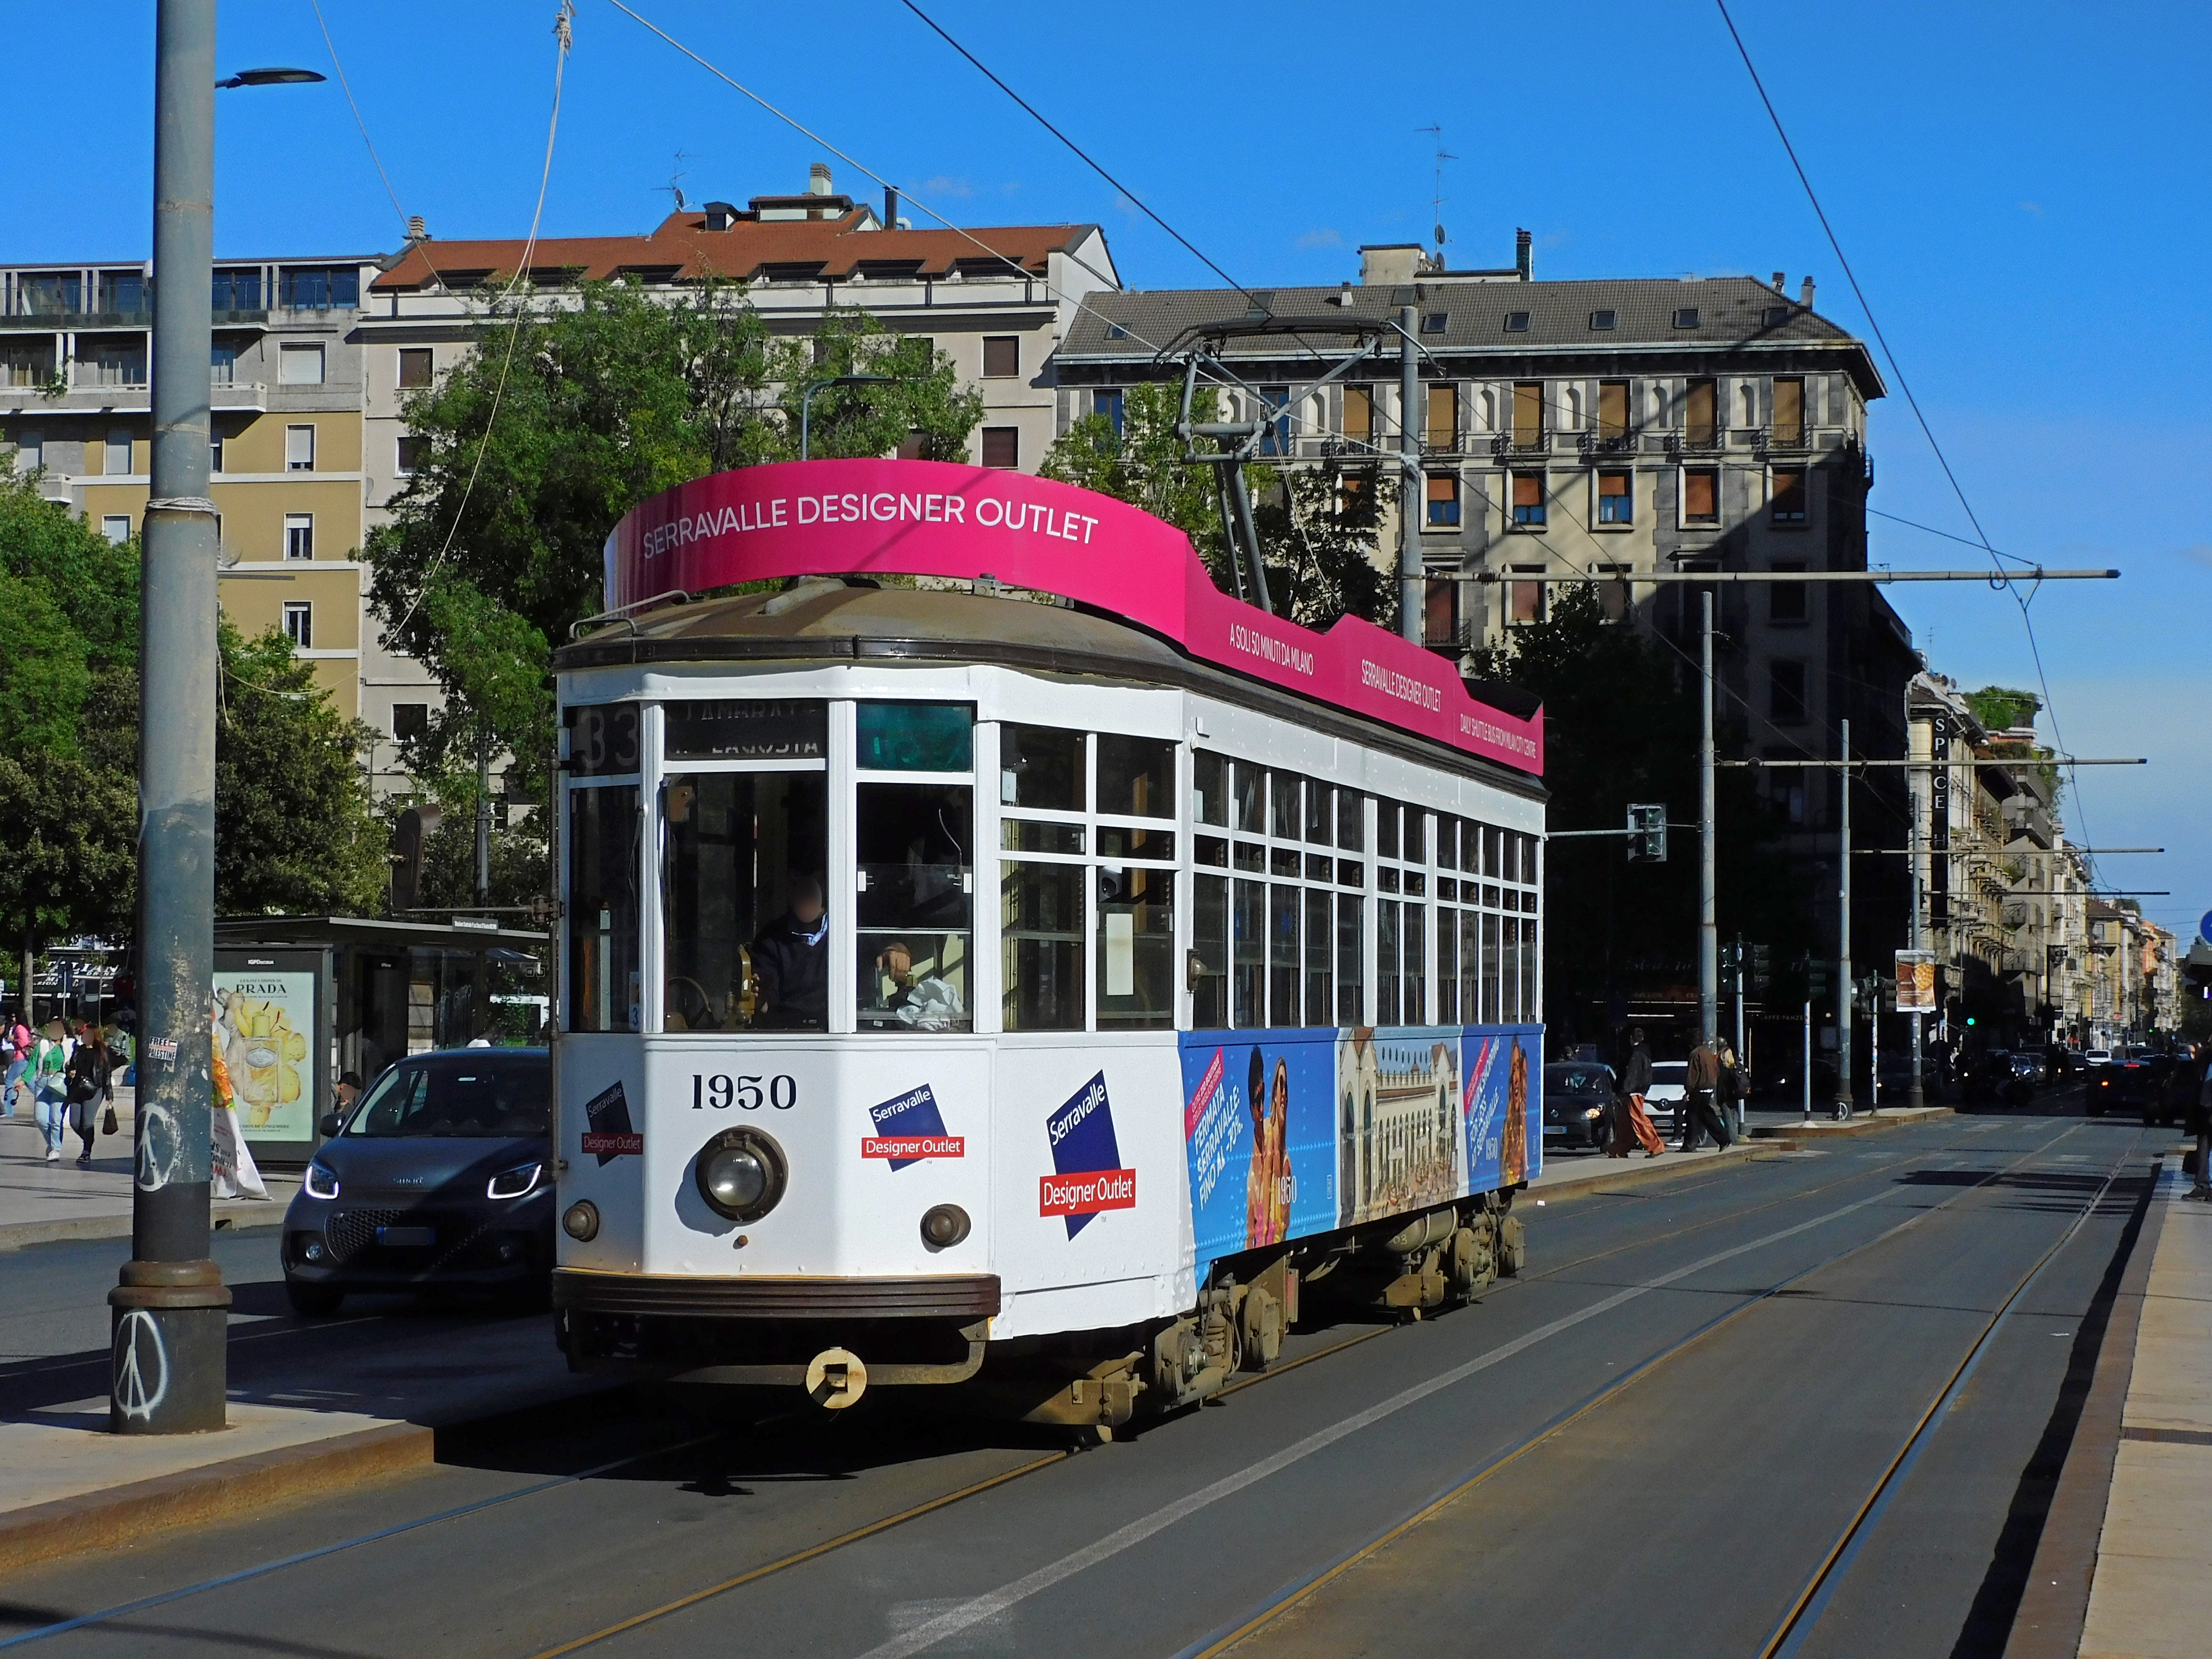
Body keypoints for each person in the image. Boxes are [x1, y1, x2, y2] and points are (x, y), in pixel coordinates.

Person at [752, 872, 829, 1029]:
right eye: (802, 888)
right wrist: (760, 998)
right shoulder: (770, 939)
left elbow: (879, 951)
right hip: (787, 1035)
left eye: (815, 888)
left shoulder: (848, 935)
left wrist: (892, 950)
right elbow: (766, 996)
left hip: (836, 1029)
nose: (808, 897)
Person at [1610, 1028, 1666, 1159]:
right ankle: (1619, 1149)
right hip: (1638, 1091)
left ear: (1631, 1038)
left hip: (1632, 1092)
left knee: (1637, 1120)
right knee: (1627, 1122)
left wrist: (1623, 1090)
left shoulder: (1635, 1054)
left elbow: (1631, 1076)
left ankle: (1656, 1146)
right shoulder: (1645, 1053)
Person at [64, 1022, 112, 1166]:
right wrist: (71, 1073)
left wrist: (109, 1096)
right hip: (77, 1089)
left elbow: (106, 1074)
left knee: (87, 1123)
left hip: (94, 1090)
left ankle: (86, 1151)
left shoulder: (101, 1052)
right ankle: (88, 1141)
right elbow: (71, 1066)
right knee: (74, 1122)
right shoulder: (78, 1050)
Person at [1681, 1034, 1734, 1152]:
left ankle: (1690, 1144)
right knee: (1706, 1115)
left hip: (1698, 1089)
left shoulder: (1695, 1054)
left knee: (1692, 1116)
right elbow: (1716, 1070)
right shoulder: (1707, 1053)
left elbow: (1692, 1075)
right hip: (1709, 1088)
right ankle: (1723, 1139)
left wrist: (1688, 1091)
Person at [30, 1021, 70, 1162]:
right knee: (40, 1119)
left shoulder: (69, 1045)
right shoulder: (43, 1045)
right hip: (43, 1081)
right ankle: (52, 1143)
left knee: (56, 1118)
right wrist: (24, 1080)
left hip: (60, 1083)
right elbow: (33, 1063)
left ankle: (55, 1148)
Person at [2186, 1053, 2212, 1204]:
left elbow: (2205, 1096)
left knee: (2205, 1144)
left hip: (2208, 1112)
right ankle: (2204, 1185)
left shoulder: (2208, 1062)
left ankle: (2204, 1186)